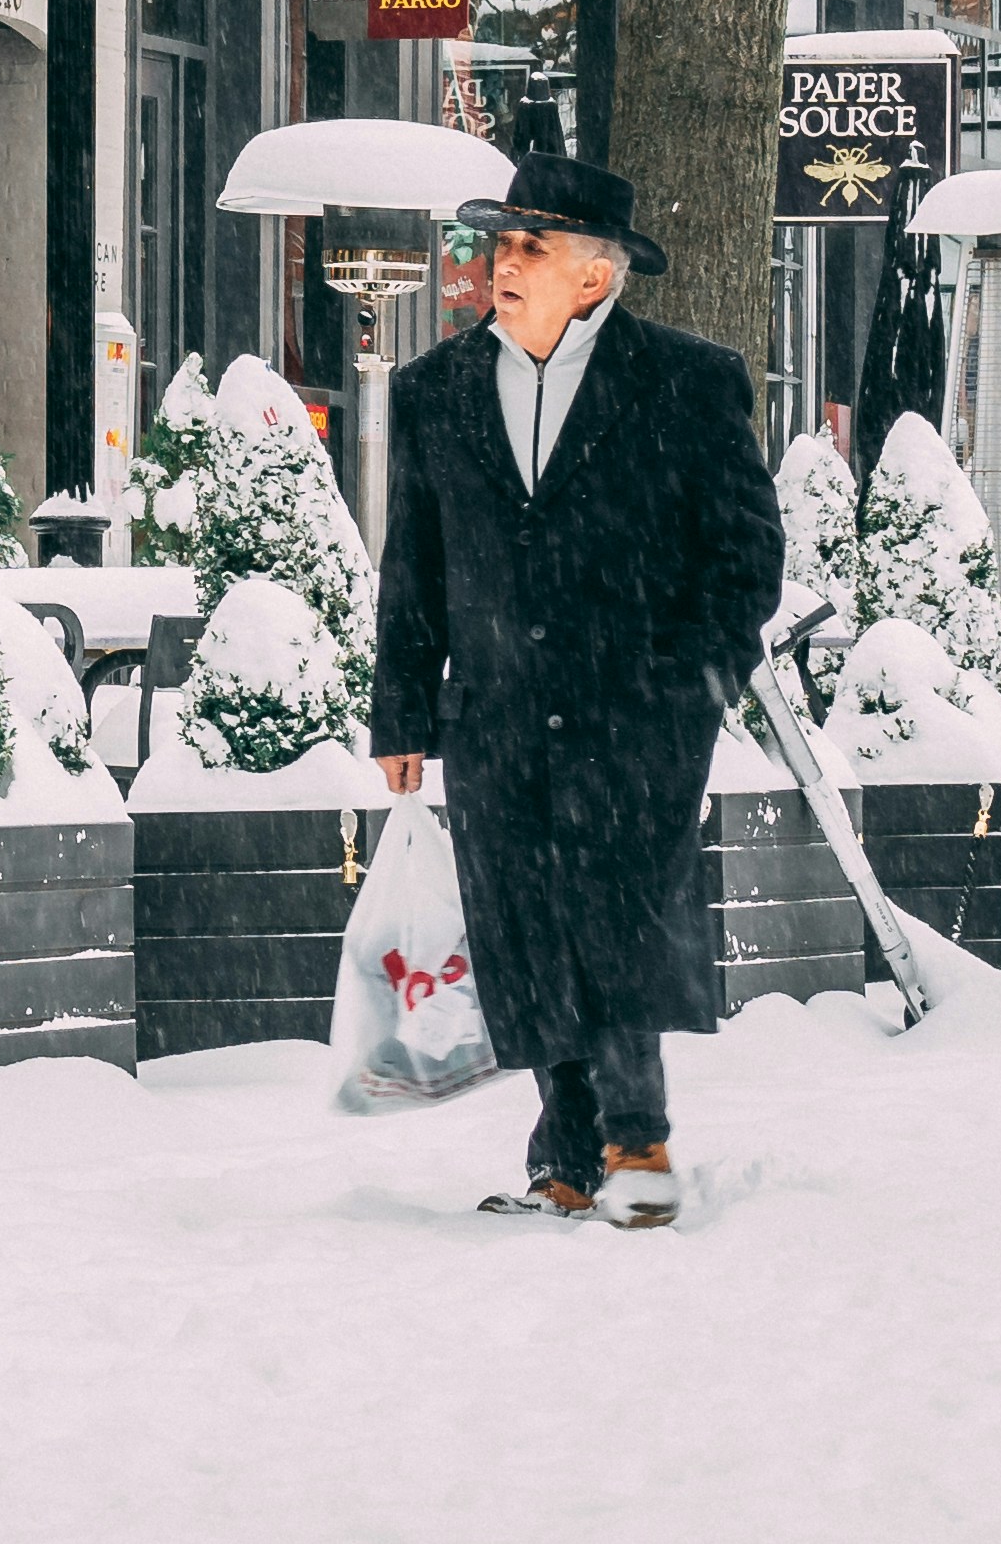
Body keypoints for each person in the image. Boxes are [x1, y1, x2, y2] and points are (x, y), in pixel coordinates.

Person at [366, 149, 782, 1230]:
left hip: (638, 711)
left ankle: (637, 1138)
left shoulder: (685, 383)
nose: (500, 263)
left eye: (529, 247)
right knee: (524, 921)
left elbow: (745, 554)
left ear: (592, 277)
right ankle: (564, 1149)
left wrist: (694, 679)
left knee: (618, 911)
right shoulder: (437, 391)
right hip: (495, 709)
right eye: (497, 244)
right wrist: (403, 703)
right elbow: (410, 563)